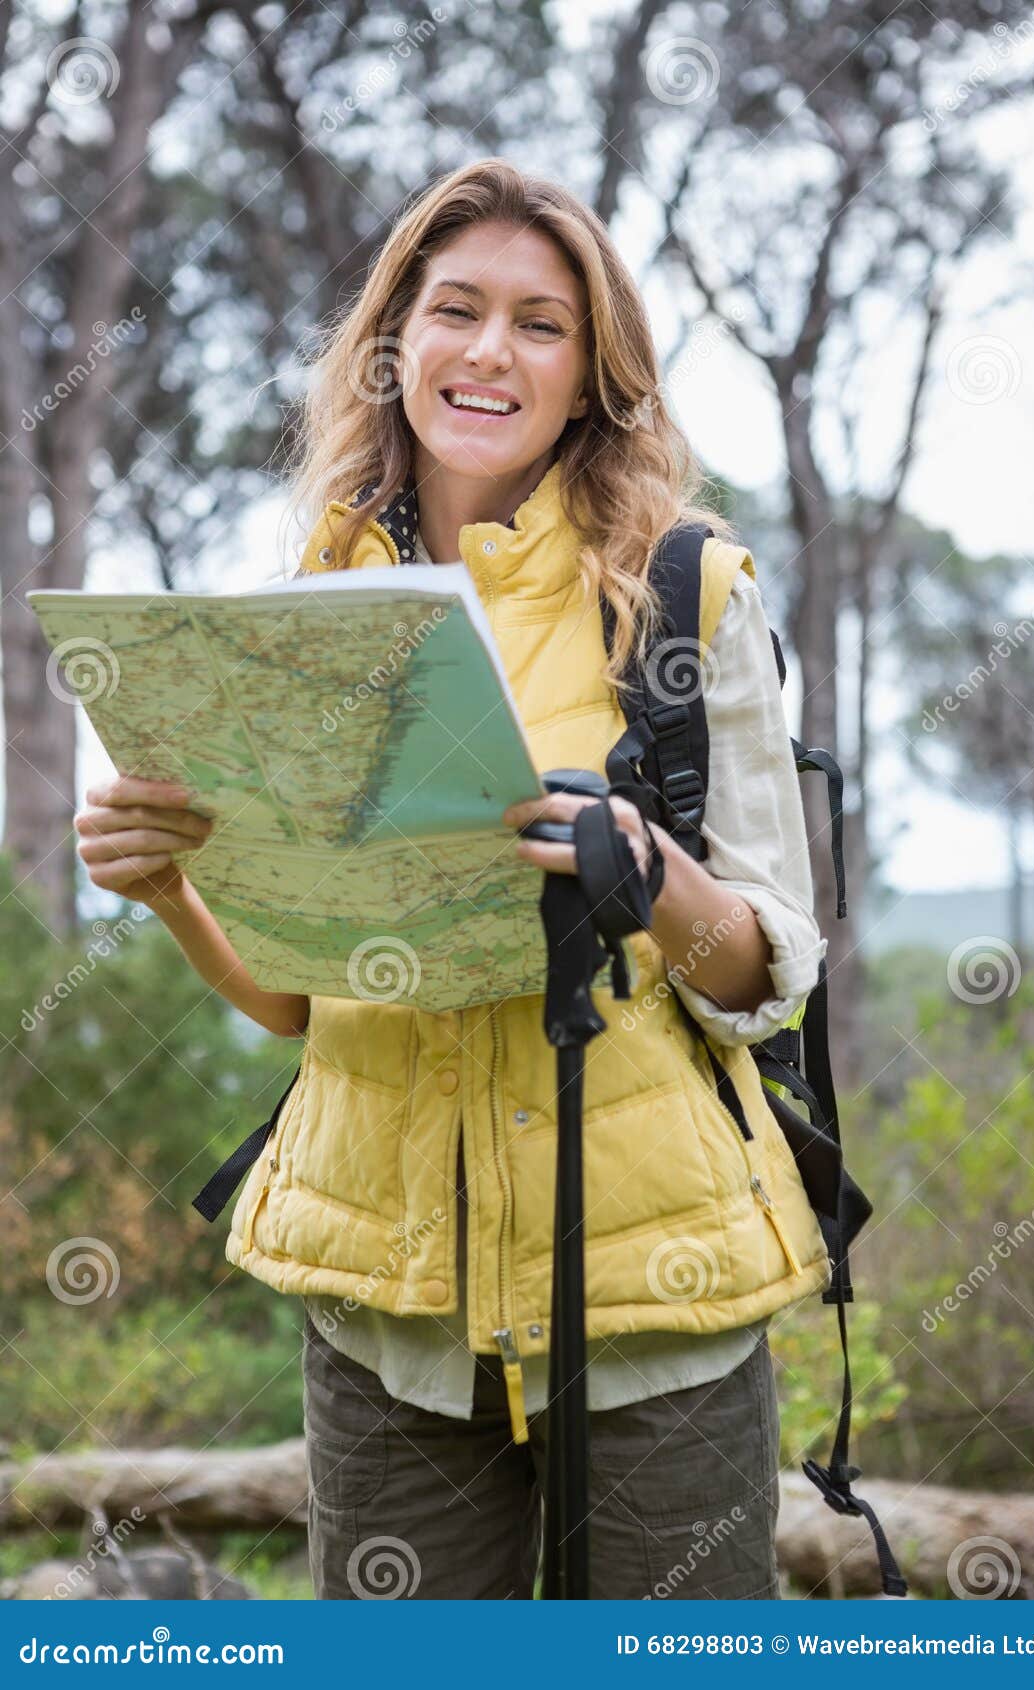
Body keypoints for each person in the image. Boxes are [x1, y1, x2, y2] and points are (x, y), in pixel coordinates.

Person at [74, 158, 831, 1601]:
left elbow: (763, 970)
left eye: (541, 324)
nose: (491, 351)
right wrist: (172, 889)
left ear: (590, 372)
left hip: (648, 1294)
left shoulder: (685, 590)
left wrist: (652, 875)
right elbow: (302, 1001)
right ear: (395, 342)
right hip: (391, 1308)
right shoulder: (312, 597)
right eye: (457, 310)